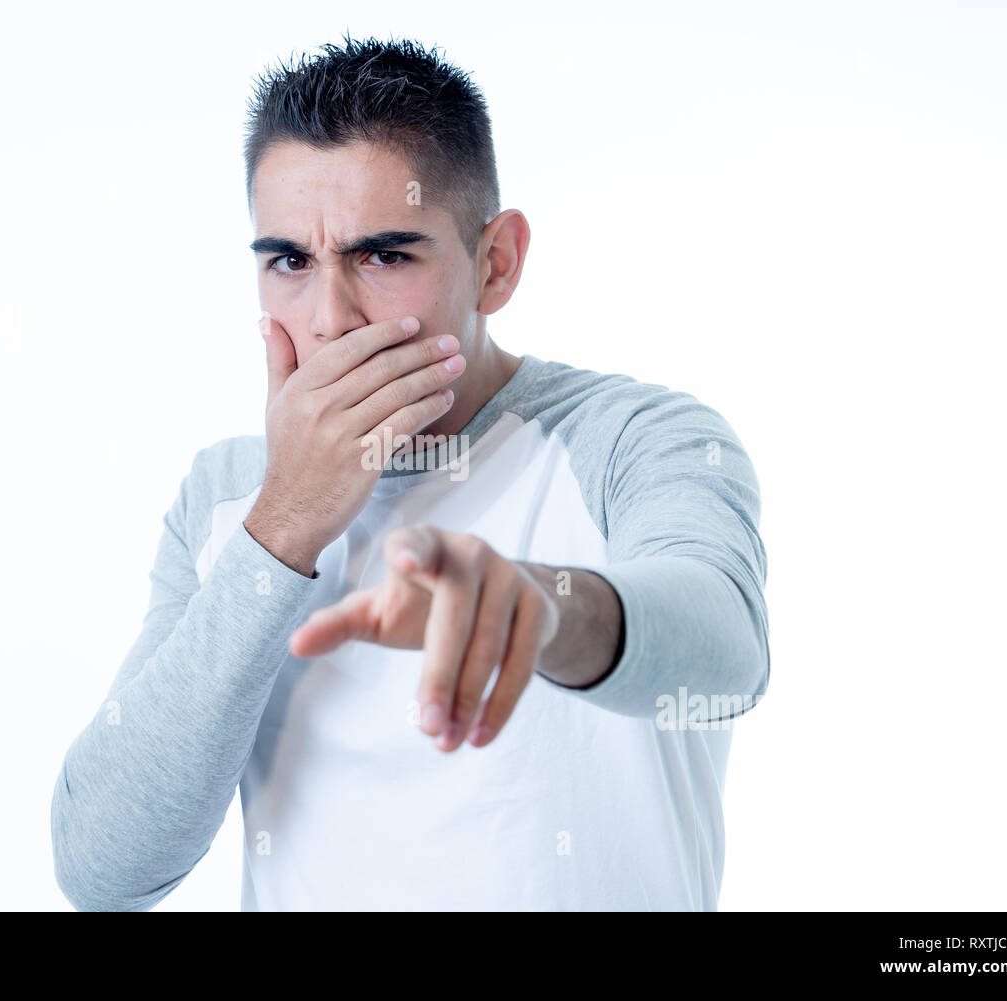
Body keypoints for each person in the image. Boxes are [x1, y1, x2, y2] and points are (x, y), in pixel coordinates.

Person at [50, 33, 769, 911]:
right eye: (289, 261)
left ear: (495, 263)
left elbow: (727, 655)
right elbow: (102, 869)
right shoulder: (226, 492)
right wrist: (282, 524)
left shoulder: (632, 438)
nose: (330, 321)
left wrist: (539, 608)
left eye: (383, 256)